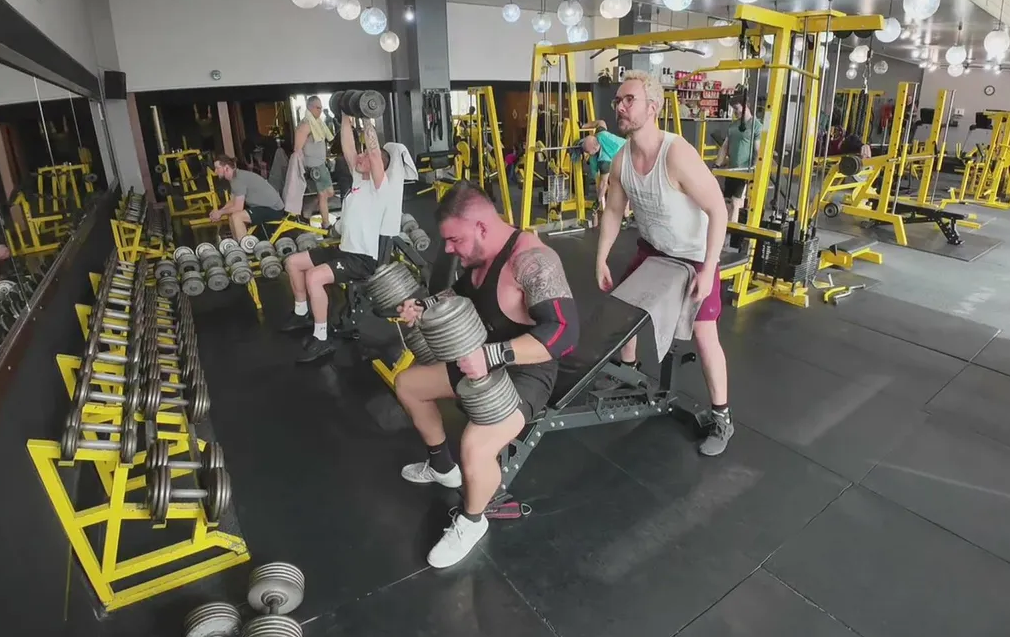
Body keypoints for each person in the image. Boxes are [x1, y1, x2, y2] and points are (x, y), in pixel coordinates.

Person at [393, 181, 579, 569]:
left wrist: (493, 355)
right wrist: (423, 306)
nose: (448, 249)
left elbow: (564, 333)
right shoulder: (480, 257)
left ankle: (473, 521)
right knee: (408, 384)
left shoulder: (533, 261)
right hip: (479, 362)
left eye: (454, 239)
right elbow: (459, 293)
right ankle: (442, 468)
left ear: (480, 226)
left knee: (476, 446)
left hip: (527, 373)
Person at [595, 70, 734, 457]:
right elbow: (614, 211)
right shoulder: (622, 159)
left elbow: (718, 210)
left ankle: (722, 417)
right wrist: (601, 257)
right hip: (654, 249)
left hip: (694, 255)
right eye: (618, 101)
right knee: (625, 308)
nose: (620, 107)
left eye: (629, 100)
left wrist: (709, 269)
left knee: (705, 336)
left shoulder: (677, 154)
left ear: (653, 107)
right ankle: (629, 373)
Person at [280, 114, 395, 363]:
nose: (360, 157)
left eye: (365, 156)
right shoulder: (358, 181)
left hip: (363, 260)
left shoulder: (380, 189)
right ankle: (302, 313)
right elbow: (348, 146)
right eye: (360, 155)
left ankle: (322, 338)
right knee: (293, 262)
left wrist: (367, 120)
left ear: (378, 165)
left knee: (313, 277)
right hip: (345, 250)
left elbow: (375, 154)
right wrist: (345, 116)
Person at [209, 155, 285, 242]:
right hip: (264, 206)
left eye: (217, 168)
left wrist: (220, 213)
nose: (215, 171)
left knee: (237, 217)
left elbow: (238, 208)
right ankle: (237, 244)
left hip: (274, 209)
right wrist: (219, 212)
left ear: (226, 168)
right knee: (231, 215)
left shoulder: (238, 179)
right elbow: (232, 201)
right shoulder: (235, 178)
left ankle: (244, 247)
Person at [714, 91, 763, 225]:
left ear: (745, 106)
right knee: (726, 203)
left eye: (736, 108)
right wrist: (716, 165)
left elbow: (758, 150)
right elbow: (725, 147)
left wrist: (755, 171)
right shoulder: (733, 125)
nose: (735, 112)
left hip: (745, 172)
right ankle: (724, 232)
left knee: (736, 203)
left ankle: (731, 231)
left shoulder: (756, 126)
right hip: (731, 170)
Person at [293, 96, 335, 218]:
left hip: (320, 164)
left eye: (321, 108)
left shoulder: (318, 123)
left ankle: (310, 209)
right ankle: (325, 222)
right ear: (309, 107)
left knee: (328, 193)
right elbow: (297, 148)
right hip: (314, 166)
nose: (320, 111)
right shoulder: (306, 124)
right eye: (318, 108)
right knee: (324, 194)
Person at [581, 126, 627, 217]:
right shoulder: (600, 134)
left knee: (622, 188)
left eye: (588, 152)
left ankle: (626, 217)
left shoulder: (604, 161)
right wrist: (583, 126)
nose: (587, 154)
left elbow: (603, 184)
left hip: (630, 159)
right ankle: (626, 217)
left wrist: (597, 201)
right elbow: (601, 123)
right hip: (627, 146)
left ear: (594, 149)